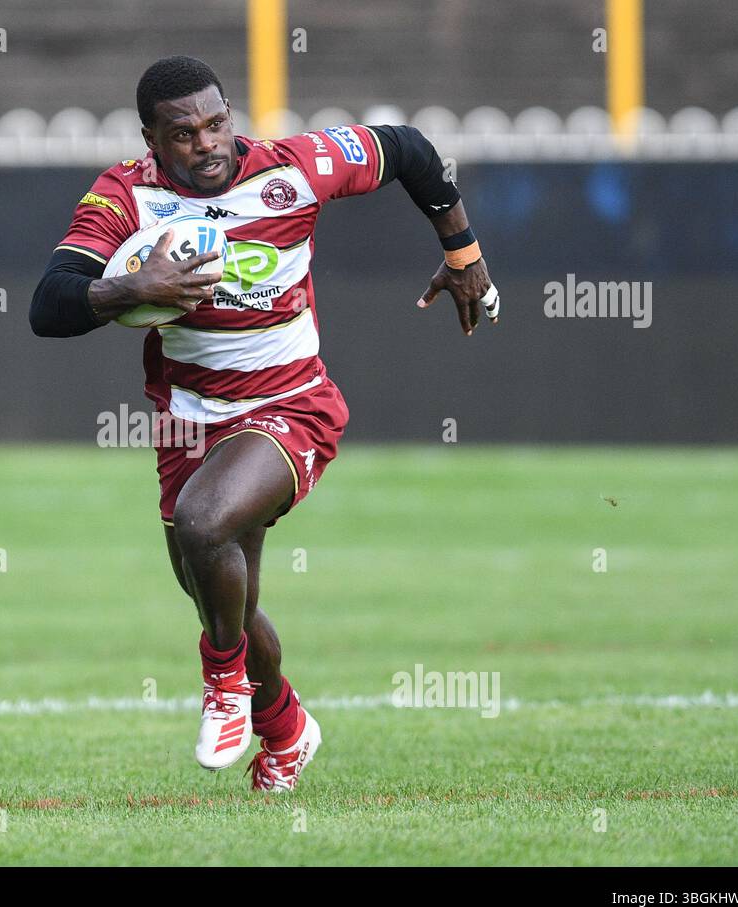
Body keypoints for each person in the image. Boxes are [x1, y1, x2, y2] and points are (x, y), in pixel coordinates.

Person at [29, 55, 498, 791]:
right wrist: (131, 287)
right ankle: (285, 729)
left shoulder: (295, 169)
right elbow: (49, 305)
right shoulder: (127, 195)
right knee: (220, 591)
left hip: (290, 406)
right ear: (150, 138)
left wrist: (462, 251)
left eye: (217, 123)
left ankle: (223, 689)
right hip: (189, 423)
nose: (206, 143)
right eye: (182, 133)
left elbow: (408, 148)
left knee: (204, 523)